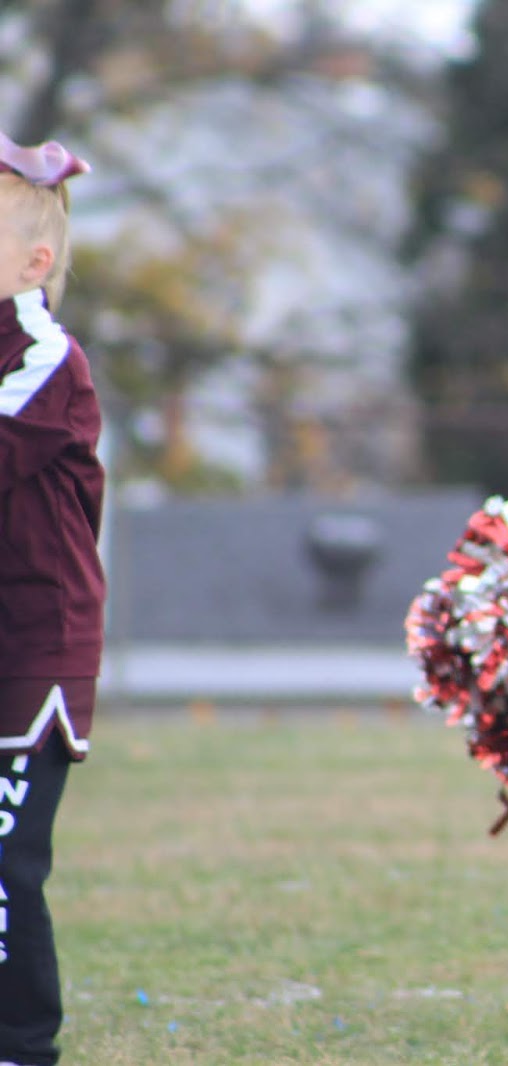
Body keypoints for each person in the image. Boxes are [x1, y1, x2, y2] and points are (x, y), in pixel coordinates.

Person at [0, 133, 101, 1066]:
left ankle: (22, 1045)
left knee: (5, 860)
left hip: (37, 651)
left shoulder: (42, 355)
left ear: (33, 262)